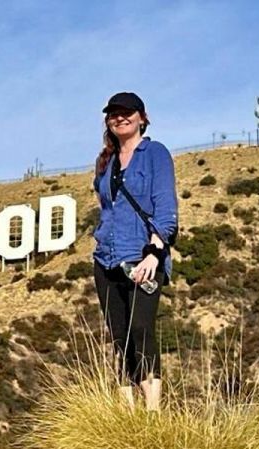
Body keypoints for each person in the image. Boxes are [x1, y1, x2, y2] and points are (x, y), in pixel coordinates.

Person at [91, 92, 178, 411]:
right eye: (113, 113)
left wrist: (155, 252)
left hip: (142, 256)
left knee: (141, 329)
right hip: (106, 259)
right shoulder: (106, 163)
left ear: (142, 117)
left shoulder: (154, 153)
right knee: (119, 336)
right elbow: (107, 210)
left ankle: (153, 413)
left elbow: (165, 207)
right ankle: (126, 415)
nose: (120, 117)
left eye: (127, 112)